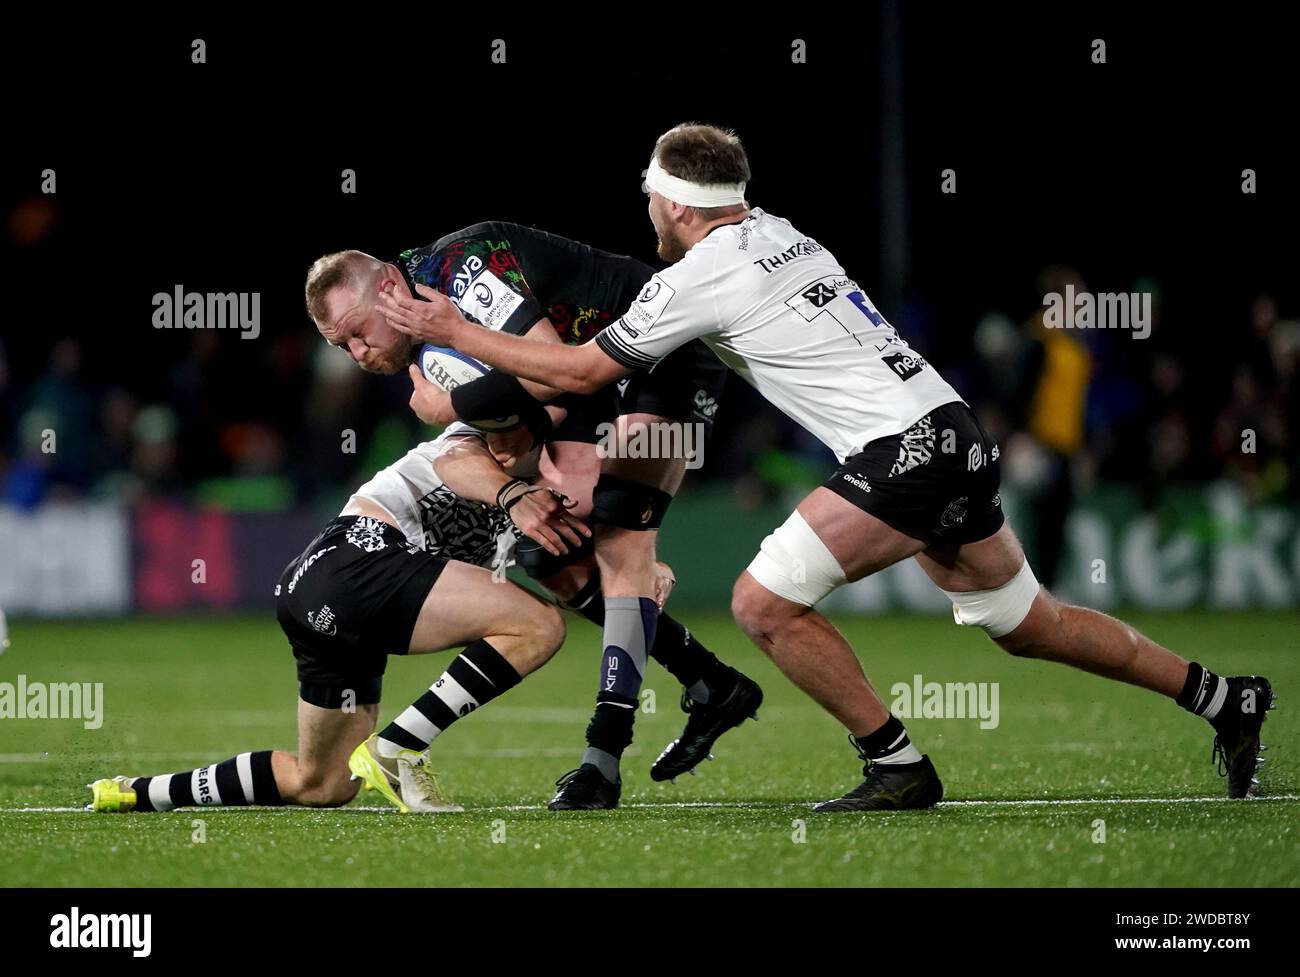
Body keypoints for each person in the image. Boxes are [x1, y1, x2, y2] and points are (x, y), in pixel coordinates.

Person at [377, 123, 1274, 809]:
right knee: (1029, 622)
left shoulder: (697, 276)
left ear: (676, 204)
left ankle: (898, 765)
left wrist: (451, 331)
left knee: (761, 604)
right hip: (951, 432)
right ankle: (1224, 698)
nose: (646, 210)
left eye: (650, 196)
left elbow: (578, 373)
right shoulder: (783, 232)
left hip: (905, 451)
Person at [304, 229, 762, 808]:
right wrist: (517, 450)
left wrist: (451, 407)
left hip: (665, 352)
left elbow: (551, 372)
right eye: (342, 346)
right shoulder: (424, 338)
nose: (359, 352)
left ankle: (602, 760)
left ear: (391, 288)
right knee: (547, 551)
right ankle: (711, 682)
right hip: (594, 375)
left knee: (619, 538)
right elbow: (537, 405)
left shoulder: (462, 271)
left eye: (357, 332)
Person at [89, 424, 577, 814]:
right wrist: (514, 493)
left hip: (320, 591)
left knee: (323, 783)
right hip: (360, 557)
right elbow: (459, 450)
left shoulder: (554, 484)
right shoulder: (486, 432)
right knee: (537, 625)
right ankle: (400, 747)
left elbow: (574, 582)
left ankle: (139, 792)